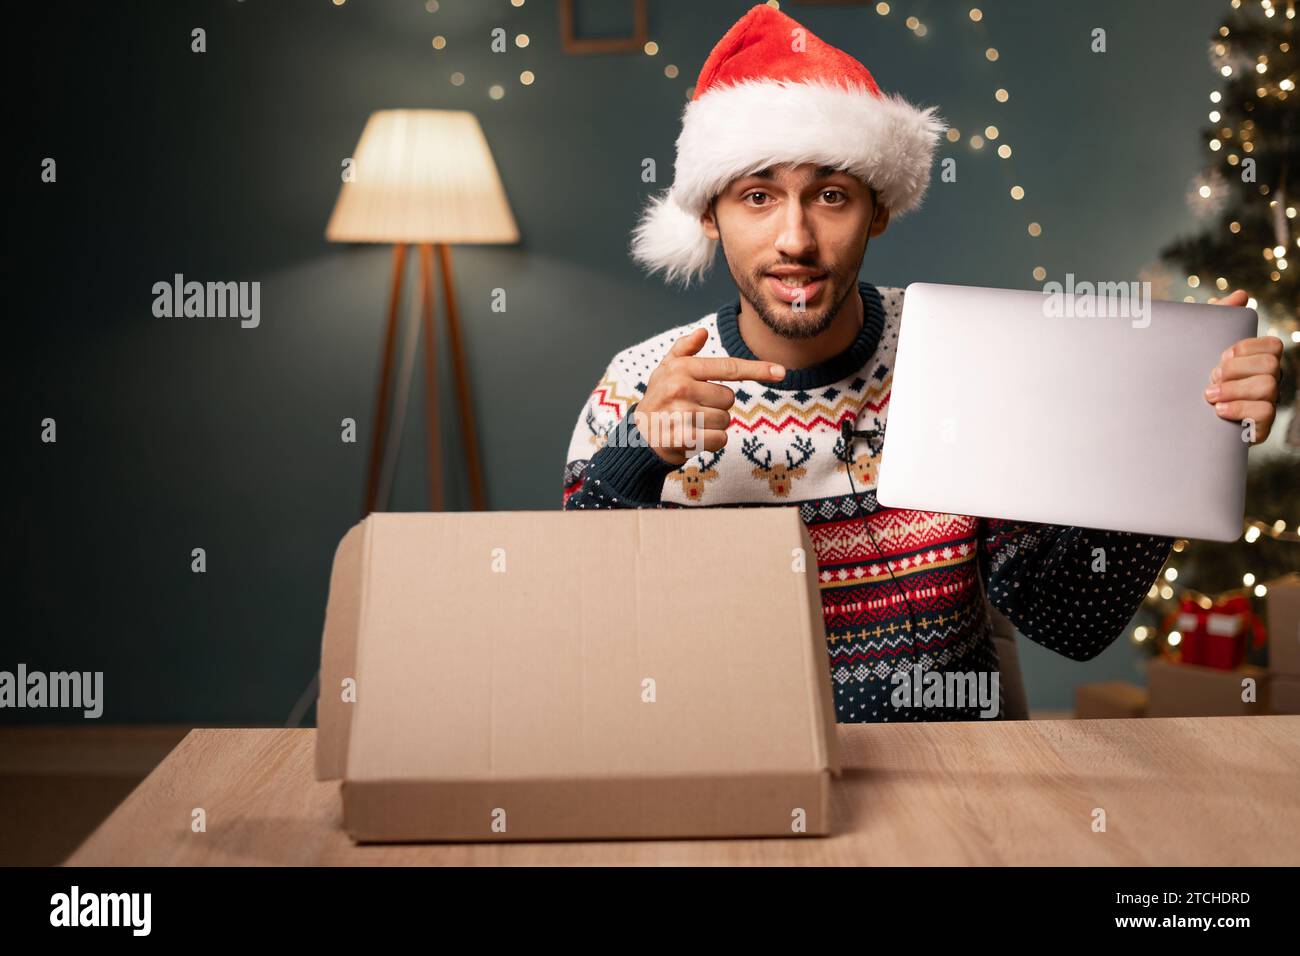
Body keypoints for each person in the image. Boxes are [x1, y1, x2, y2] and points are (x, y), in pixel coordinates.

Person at [561, 4, 1284, 723]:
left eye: (831, 196)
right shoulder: (639, 382)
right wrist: (638, 451)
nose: (796, 238)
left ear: (877, 211)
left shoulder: (963, 356)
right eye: (758, 196)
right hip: (738, 761)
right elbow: (576, 624)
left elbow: (1070, 621)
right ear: (709, 217)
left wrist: (1184, 428)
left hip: (958, 780)